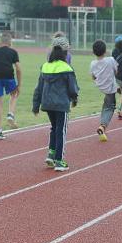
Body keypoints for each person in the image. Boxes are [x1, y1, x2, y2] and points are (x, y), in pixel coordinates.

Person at [32, 43, 79, 172]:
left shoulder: (45, 67)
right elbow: (72, 88)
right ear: (64, 56)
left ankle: (51, 154)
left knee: (54, 128)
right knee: (61, 130)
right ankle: (59, 160)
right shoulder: (66, 68)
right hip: (61, 104)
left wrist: (36, 105)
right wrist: (75, 99)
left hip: (47, 104)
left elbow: (39, 88)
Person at [0, 32, 22, 139]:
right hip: (8, 75)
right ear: (10, 42)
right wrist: (19, 85)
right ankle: (10, 114)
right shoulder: (13, 52)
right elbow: (18, 68)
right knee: (14, 94)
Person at [90, 39, 119, 142]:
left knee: (106, 104)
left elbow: (93, 77)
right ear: (105, 51)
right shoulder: (110, 60)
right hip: (109, 89)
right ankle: (102, 126)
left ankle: (102, 123)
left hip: (101, 86)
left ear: (93, 52)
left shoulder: (93, 63)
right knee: (110, 107)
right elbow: (116, 71)